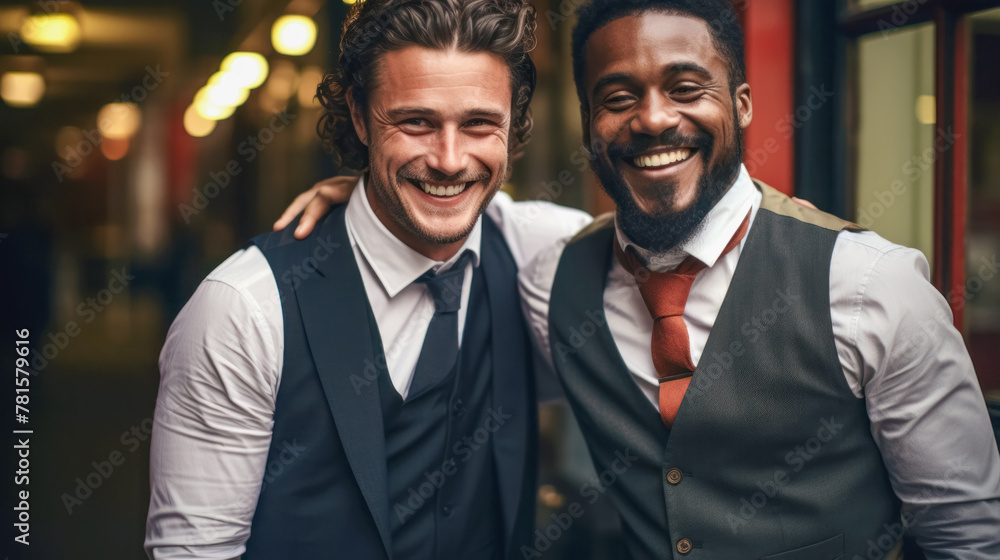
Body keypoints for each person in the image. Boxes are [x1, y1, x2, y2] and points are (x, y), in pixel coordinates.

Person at [282, 0, 1000, 558]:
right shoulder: (553, 273)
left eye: (686, 87)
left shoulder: (871, 285)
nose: (653, 119)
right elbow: (465, 197)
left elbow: (969, 536)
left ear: (742, 103)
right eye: (619, 97)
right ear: (589, 122)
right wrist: (370, 193)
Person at [143, 1, 590, 559]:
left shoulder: (538, 252)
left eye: (479, 123)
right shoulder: (242, 309)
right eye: (416, 122)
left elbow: (671, 247)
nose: (450, 160)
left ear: (512, 124)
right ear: (359, 115)